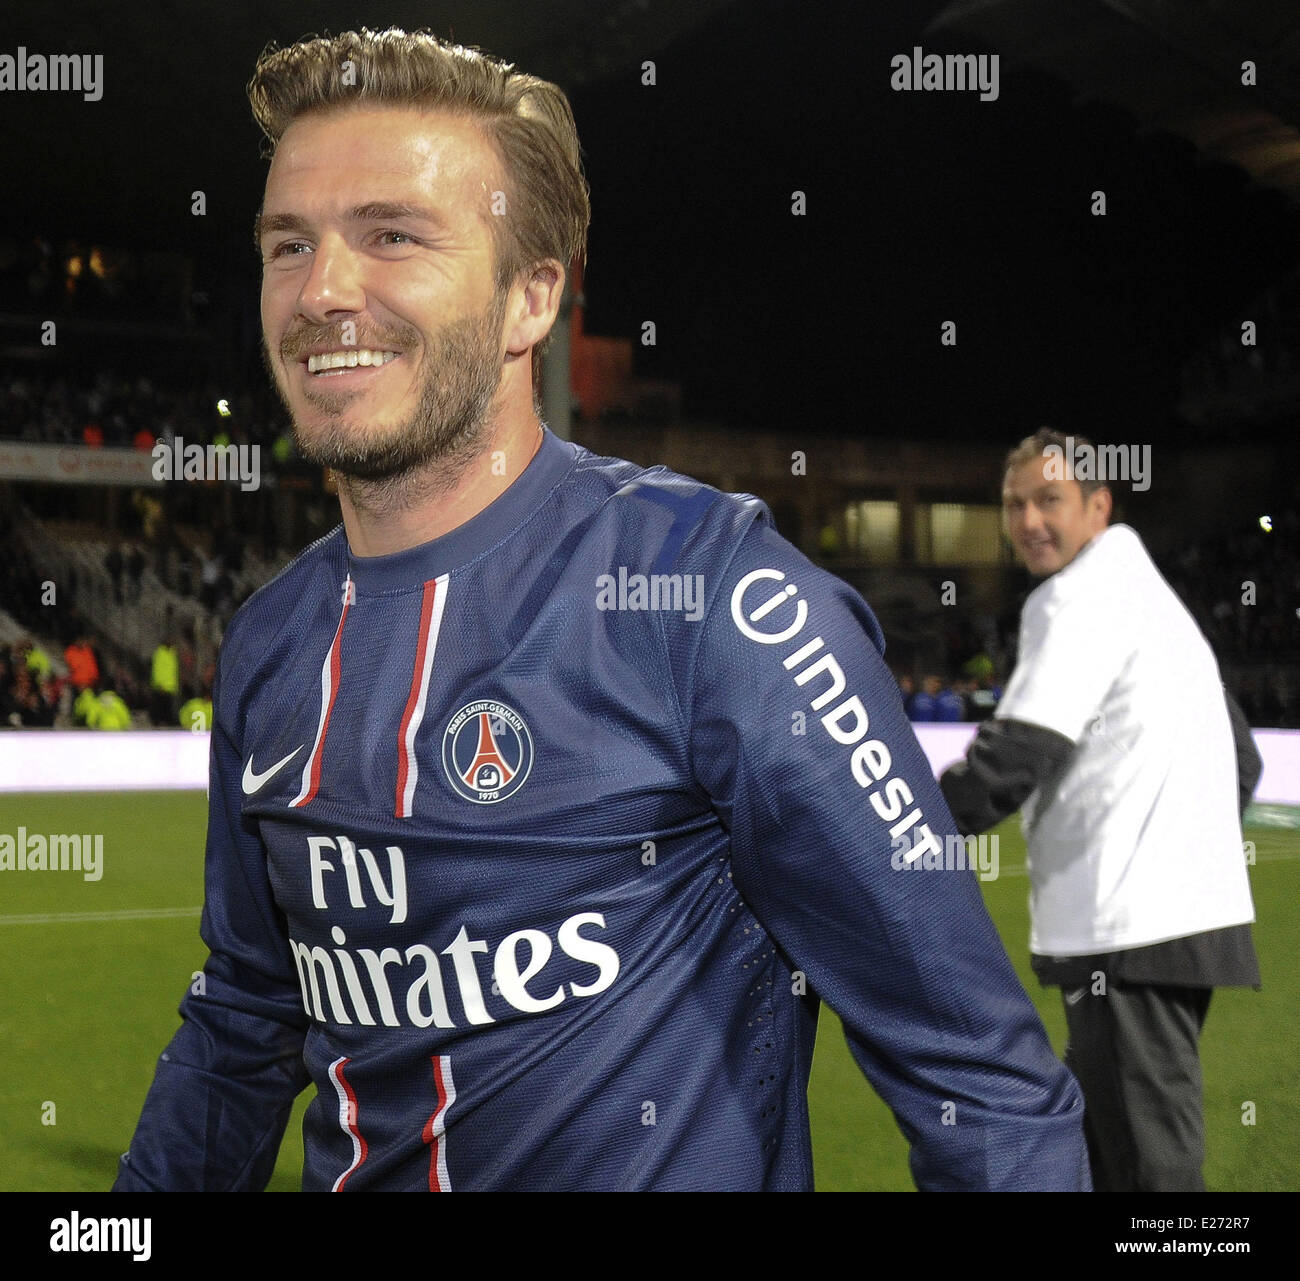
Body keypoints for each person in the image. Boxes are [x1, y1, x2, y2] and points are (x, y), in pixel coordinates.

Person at [113, 29, 1088, 1193]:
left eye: (391, 236)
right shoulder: (270, 642)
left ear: (532, 298)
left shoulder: (715, 600)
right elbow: (245, 1019)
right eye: (289, 244)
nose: (322, 291)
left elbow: (977, 1084)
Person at [939, 428, 1260, 1193]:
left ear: (1097, 504)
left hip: (1130, 928)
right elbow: (1241, 759)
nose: (1028, 522)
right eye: (1014, 504)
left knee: (1149, 1166)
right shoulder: (1153, 601)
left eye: (1048, 500)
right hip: (1164, 923)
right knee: (1116, 1145)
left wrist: (897, 826)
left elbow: (1015, 753)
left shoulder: (1081, 595)